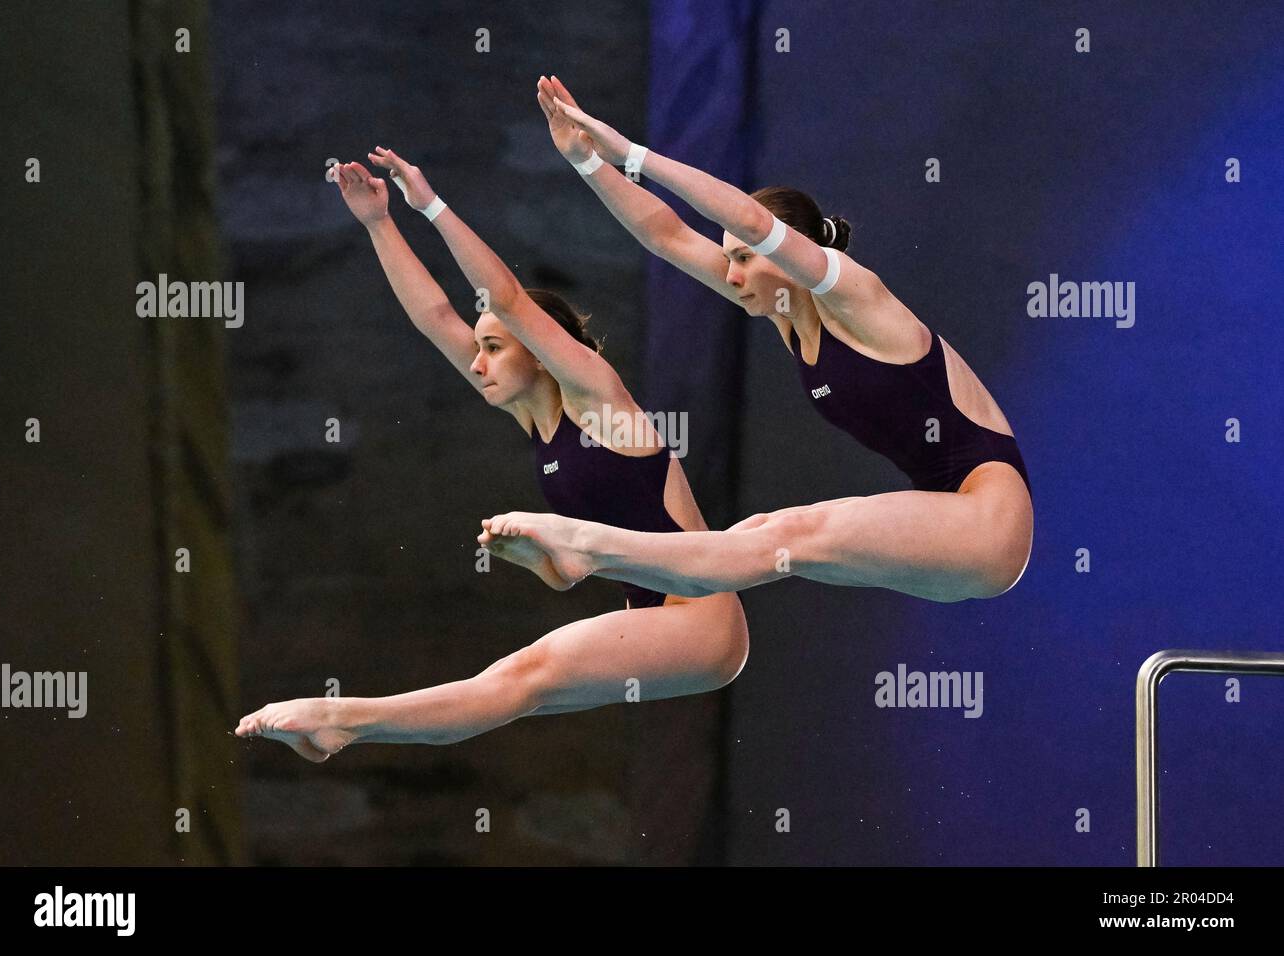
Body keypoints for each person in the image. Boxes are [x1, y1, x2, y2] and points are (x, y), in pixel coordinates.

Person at [235, 148, 748, 762]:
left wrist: (429, 204)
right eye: (478, 351)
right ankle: (347, 726)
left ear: (541, 349)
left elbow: (503, 298)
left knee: (524, 675)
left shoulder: (598, 396)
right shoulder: (534, 417)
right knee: (510, 690)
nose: (476, 363)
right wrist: (379, 223)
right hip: (664, 618)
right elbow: (436, 318)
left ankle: (340, 716)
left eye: (494, 349)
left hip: (701, 616)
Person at [475, 77, 1033, 605]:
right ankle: (597, 562)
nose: (731, 275)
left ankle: (585, 544)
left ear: (790, 250)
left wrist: (631, 154)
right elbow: (664, 234)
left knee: (786, 533)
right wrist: (586, 161)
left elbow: (747, 215)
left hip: (990, 517)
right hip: (950, 529)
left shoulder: (856, 296)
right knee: (759, 537)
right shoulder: (787, 313)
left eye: (743, 257)